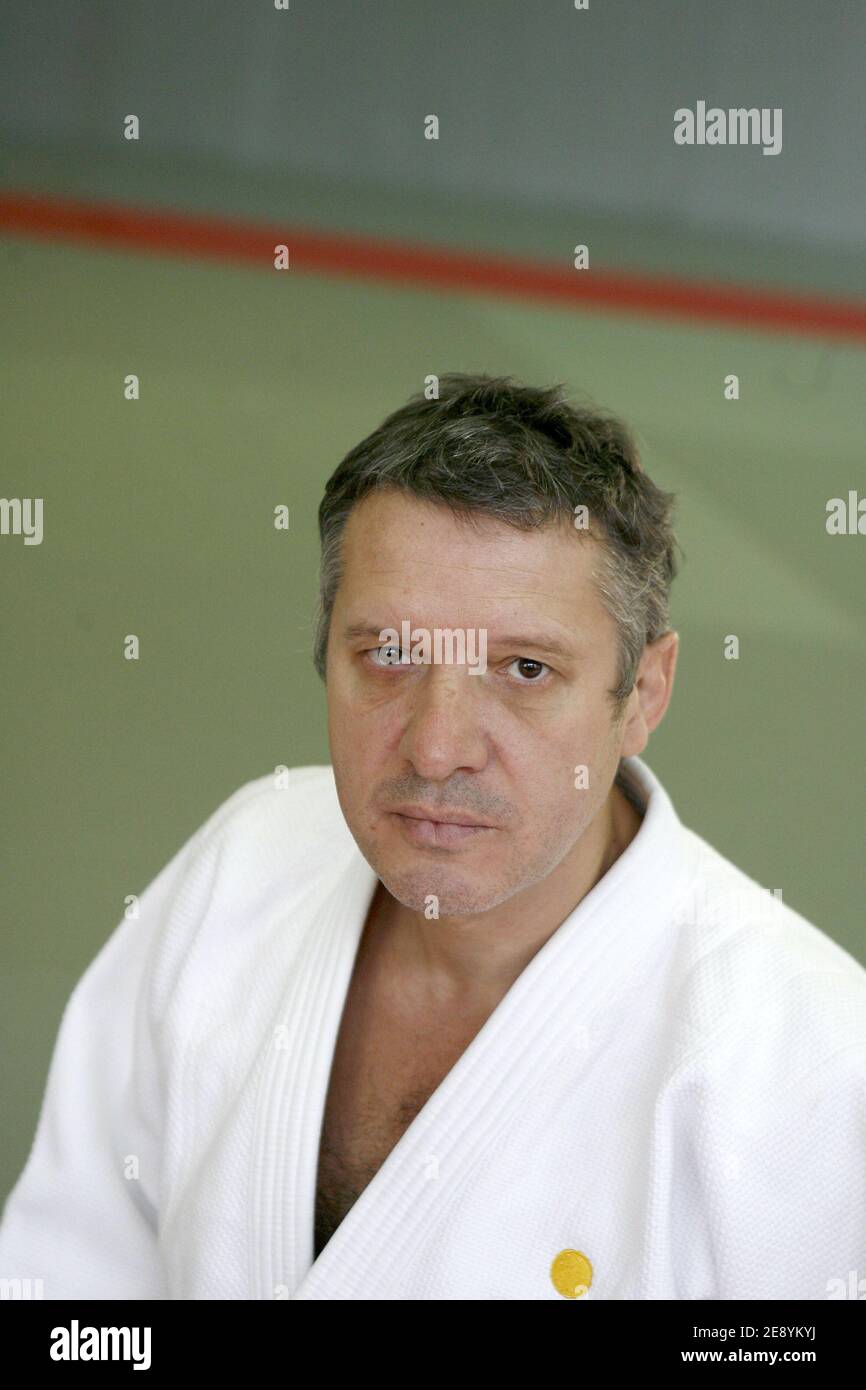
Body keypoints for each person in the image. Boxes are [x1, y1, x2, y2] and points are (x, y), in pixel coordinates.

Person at [2, 373, 864, 1301]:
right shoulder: (247, 859)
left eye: (524, 668)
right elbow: (68, 1272)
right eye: (389, 655)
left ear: (644, 692)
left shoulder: (807, 1071)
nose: (437, 745)